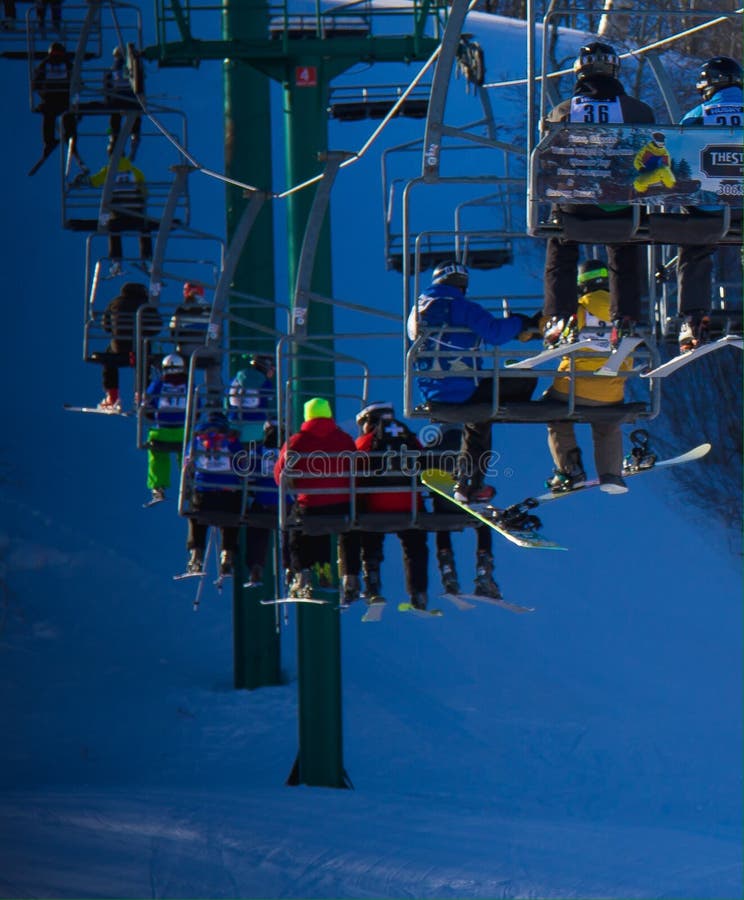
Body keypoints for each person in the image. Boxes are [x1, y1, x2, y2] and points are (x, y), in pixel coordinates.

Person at [542, 41, 655, 349]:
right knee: (625, 247)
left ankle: (559, 316)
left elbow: (549, 158)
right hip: (621, 207)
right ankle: (627, 318)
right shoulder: (638, 111)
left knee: (560, 246)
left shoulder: (563, 112)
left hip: (577, 207)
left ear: (580, 73)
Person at [407, 259, 541, 502]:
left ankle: (468, 482)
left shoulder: (418, 312)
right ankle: (469, 481)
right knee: (524, 381)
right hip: (462, 390)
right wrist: (522, 323)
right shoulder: (460, 306)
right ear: (462, 286)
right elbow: (494, 333)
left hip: (432, 391)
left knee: (479, 417)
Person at [544, 259, 631, 494]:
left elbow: (549, 332)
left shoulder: (575, 310)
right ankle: (611, 473)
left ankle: (570, 469)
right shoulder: (623, 313)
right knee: (607, 423)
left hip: (573, 389)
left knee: (554, 414)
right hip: (612, 391)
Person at [676, 56, 743, 352]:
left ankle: (694, 316)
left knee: (694, 244)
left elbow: (678, 158)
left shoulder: (696, 115)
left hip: (711, 209)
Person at [273, 397, 361, 601]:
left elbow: (280, 476)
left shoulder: (296, 441)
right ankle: (347, 577)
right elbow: (356, 470)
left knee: (296, 528)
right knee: (347, 530)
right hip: (342, 506)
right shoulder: (344, 439)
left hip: (310, 506)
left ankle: (302, 573)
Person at [354, 401, 429, 610]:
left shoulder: (365, 443)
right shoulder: (411, 439)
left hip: (375, 506)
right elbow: (426, 470)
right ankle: (418, 592)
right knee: (415, 546)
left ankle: (372, 584)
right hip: (410, 508)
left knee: (368, 537)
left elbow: (355, 474)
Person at [420, 422, 502, 599]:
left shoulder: (431, 447)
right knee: (482, 523)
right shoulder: (472, 444)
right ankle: (484, 573)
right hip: (469, 504)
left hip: (444, 506)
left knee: (441, 524)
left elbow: (421, 474)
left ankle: (447, 573)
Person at [183, 410, 258, 578]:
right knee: (232, 516)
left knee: (196, 516)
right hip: (228, 498)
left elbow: (187, 466)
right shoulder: (232, 443)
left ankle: (196, 553)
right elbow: (242, 468)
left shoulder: (196, 442)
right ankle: (227, 553)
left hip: (203, 497)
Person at [97, 281, 162, 410]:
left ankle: (113, 397)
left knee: (108, 357)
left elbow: (106, 326)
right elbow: (156, 327)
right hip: (140, 348)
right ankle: (142, 395)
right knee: (146, 358)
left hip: (119, 347)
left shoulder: (115, 302)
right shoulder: (146, 305)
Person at [88, 152, 152, 275]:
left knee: (113, 228)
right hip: (135, 212)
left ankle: (116, 260)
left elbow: (93, 182)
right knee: (144, 227)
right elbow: (145, 193)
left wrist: (82, 180)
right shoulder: (135, 172)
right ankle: (147, 258)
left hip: (118, 213)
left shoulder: (108, 172)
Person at [30, 41, 84, 169]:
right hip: (56, 99)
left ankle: (65, 140)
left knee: (56, 116)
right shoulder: (55, 64)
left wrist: (75, 100)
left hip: (59, 99)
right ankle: (56, 141)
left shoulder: (58, 64)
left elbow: (77, 82)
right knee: (53, 116)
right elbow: (36, 82)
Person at [143, 353, 188, 504]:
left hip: (162, 432)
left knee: (157, 454)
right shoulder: (189, 385)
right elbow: (198, 406)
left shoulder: (158, 385)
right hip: (183, 432)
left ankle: (158, 487)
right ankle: (189, 482)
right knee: (187, 453)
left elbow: (147, 404)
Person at [104, 45, 142, 160]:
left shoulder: (112, 70)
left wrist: (108, 102)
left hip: (117, 100)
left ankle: (113, 139)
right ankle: (133, 141)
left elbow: (107, 88)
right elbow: (140, 84)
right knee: (136, 120)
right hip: (132, 100)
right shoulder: (134, 68)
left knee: (113, 120)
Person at [227, 353, 276, 441]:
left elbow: (226, 401)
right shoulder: (266, 383)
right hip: (256, 425)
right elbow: (271, 407)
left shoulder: (236, 378)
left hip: (233, 423)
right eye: (272, 368)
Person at [169, 281, 210, 359]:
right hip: (206, 348)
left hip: (185, 349)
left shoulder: (181, 309)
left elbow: (172, 332)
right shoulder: (210, 309)